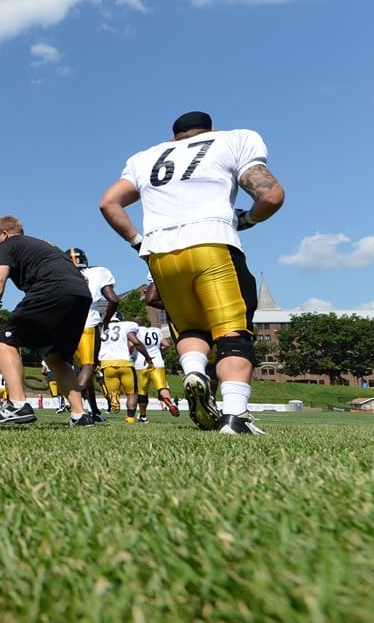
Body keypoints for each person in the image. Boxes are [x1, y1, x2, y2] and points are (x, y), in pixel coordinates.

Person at [100, 110, 284, 435]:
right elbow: (270, 194)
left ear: (173, 139)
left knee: (190, 329)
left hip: (160, 253)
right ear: (210, 130)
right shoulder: (234, 139)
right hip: (212, 243)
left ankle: (193, 370)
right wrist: (248, 219)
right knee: (232, 332)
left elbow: (109, 203)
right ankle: (236, 414)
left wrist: (137, 243)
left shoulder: (145, 157)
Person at [0, 216, 93, 425]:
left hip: (51, 289)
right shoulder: (44, 245)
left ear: (4, 233)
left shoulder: (8, 244)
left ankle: (18, 404)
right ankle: (79, 414)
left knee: (4, 342)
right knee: (55, 356)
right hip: (81, 295)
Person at [67, 248, 117, 422]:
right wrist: (106, 320)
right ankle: (75, 401)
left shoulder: (60, 274)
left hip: (66, 327)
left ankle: (94, 411)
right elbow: (114, 299)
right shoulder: (99, 272)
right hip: (88, 324)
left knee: (83, 371)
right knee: (88, 367)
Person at [132, 314, 179, 422]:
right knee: (162, 387)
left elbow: (131, 345)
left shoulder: (135, 332)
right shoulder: (156, 330)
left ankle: (143, 416)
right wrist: (158, 351)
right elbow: (166, 344)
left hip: (141, 363)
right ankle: (170, 404)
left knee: (142, 391)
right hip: (157, 362)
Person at [98, 314, 144, 421]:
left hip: (106, 363)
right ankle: (130, 418)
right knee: (131, 394)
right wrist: (147, 357)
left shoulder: (101, 327)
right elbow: (133, 343)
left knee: (113, 391)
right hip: (125, 363)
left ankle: (114, 397)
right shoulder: (126, 326)